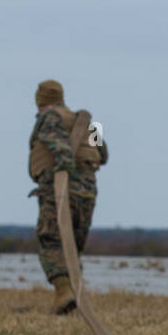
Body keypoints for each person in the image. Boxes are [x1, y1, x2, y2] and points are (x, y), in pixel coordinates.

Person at [29, 79, 108, 314]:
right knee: (72, 245)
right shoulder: (84, 121)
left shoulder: (49, 118)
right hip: (87, 191)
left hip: (59, 189)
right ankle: (74, 299)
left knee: (51, 241)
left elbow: (59, 146)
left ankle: (64, 292)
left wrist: (63, 168)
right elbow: (103, 154)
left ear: (40, 101)